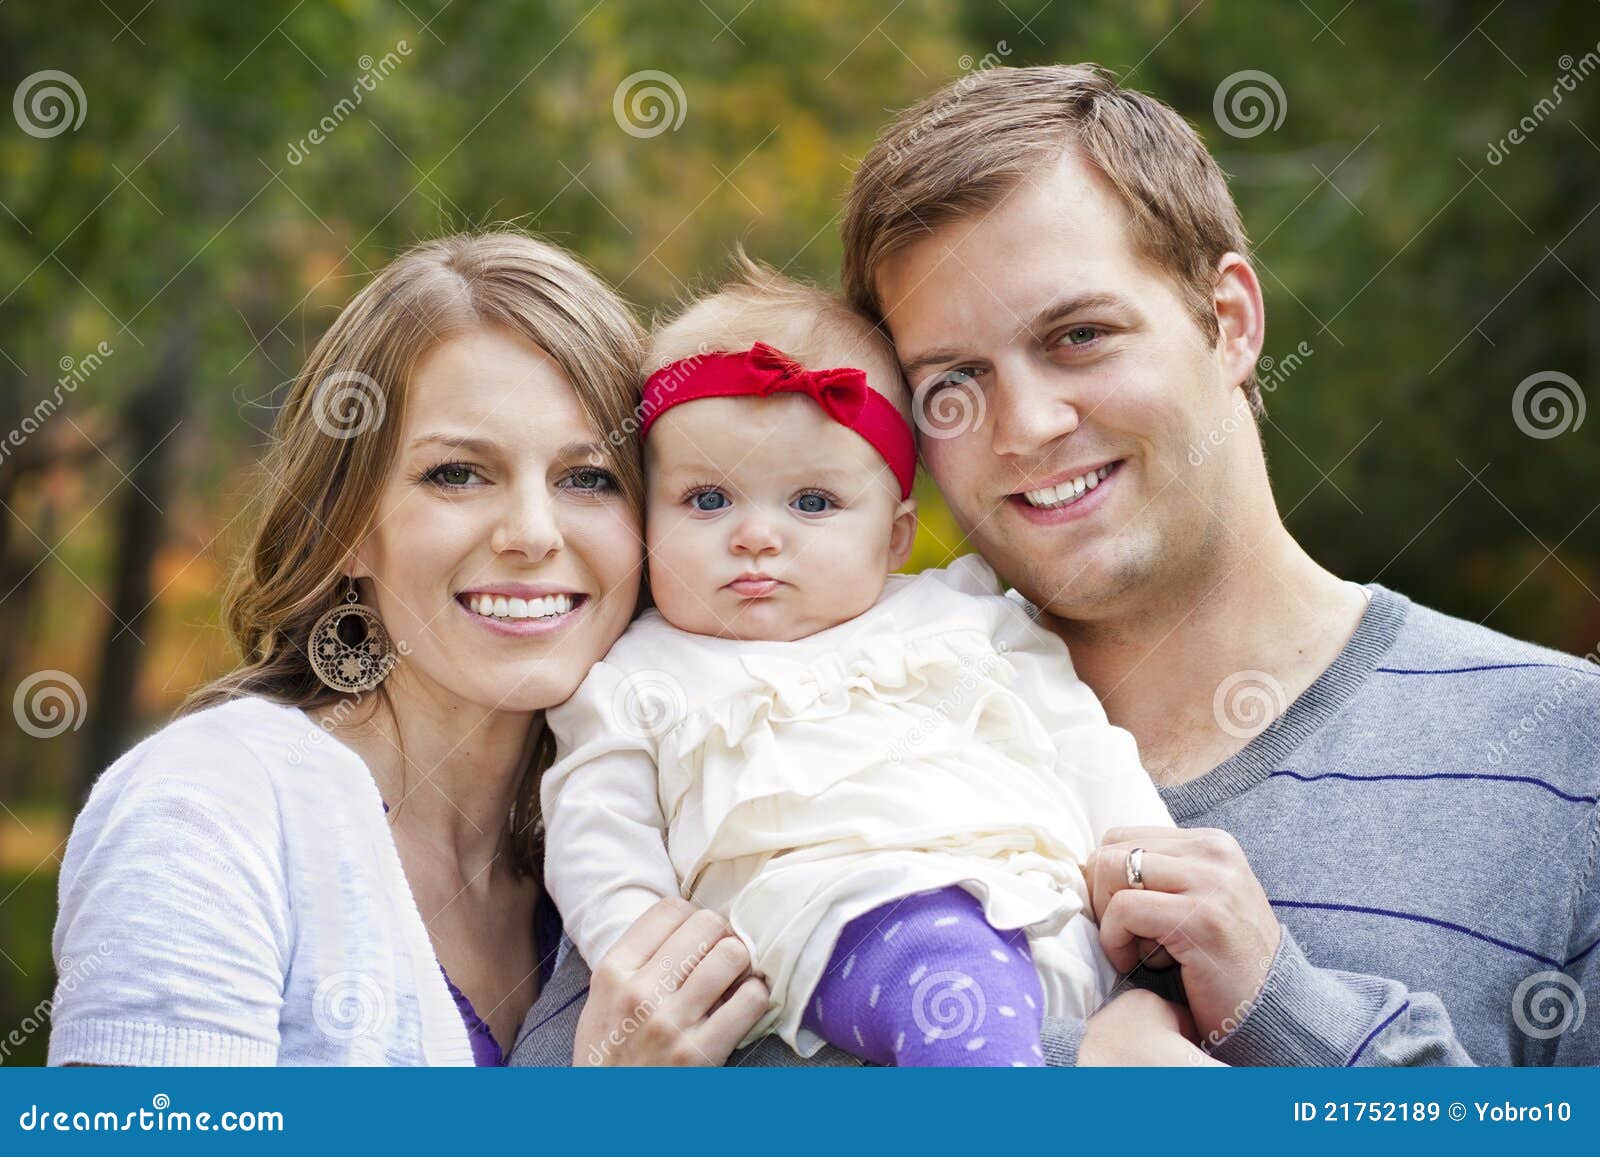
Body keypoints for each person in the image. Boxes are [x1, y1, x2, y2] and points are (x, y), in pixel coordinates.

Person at [838, 63, 1598, 1065]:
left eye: (1078, 335)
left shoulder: (1565, 758)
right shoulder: (826, 739)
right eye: (953, 381)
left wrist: (1283, 1008)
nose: (1024, 426)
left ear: (1230, 320)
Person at [48, 231, 768, 1066]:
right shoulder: (208, 811)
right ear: (350, 524)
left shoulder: (656, 840)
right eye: (458, 474)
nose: (533, 534)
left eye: (589, 478)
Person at [540, 257, 1186, 1067]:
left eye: (812, 502)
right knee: (945, 975)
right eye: (708, 499)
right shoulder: (642, 673)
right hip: (828, 926)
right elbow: (596, 829)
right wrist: (652, 965)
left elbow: (1085, 744)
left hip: (1046, 910)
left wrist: (1153, 873)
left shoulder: (969, 616)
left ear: (894, 537)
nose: (756, 536)